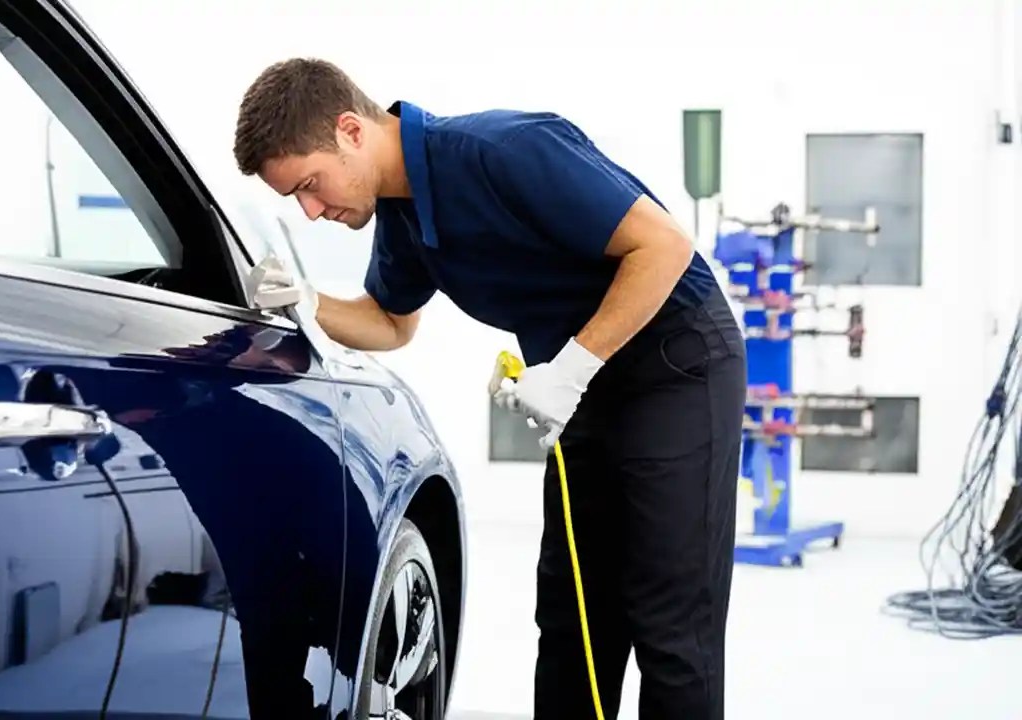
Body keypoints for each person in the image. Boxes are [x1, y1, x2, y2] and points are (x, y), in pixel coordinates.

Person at [231, 57, 748, 720]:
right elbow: (390, 323)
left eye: (309, 184)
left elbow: (664, 247)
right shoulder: (399, 216)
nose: (310, 210)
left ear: (351, 132)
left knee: (669, 622)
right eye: (294, 199)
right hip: (581, 386)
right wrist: (304, 299)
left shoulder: (505, 150)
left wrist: (570, 368)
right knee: (574, 620)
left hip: (675, 368)